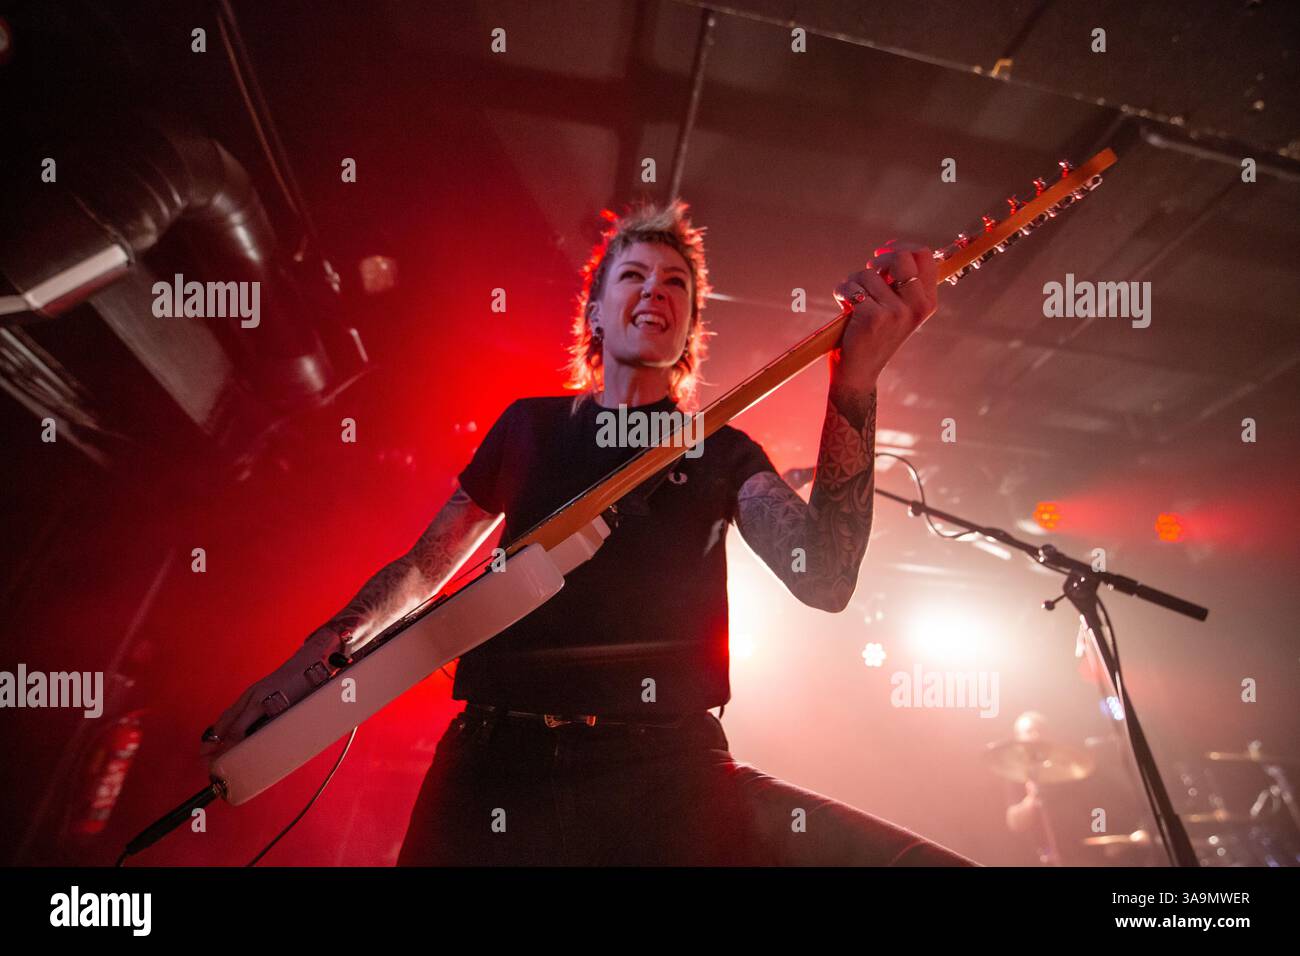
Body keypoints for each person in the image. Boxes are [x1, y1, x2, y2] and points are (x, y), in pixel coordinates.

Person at [201, 199, 975, 866]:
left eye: (677, 285)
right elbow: (424, 569)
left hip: (661, 769)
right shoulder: (530, 426)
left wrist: (855, 385)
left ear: (691, 329)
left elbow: (826, 575)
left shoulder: (719, 447)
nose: (655, 292)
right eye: (632, 276)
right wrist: (317, 654)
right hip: (492, 764)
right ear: (596, 313)